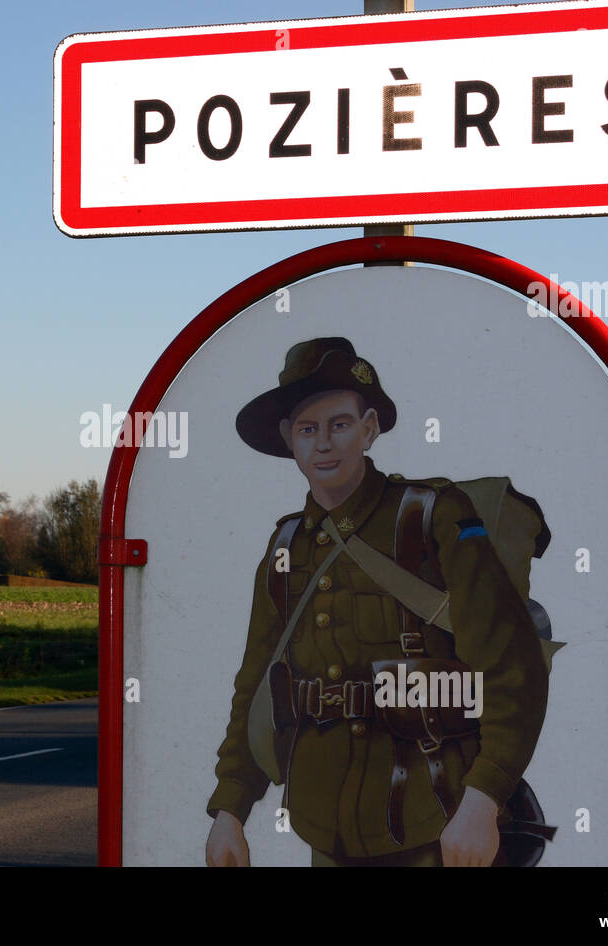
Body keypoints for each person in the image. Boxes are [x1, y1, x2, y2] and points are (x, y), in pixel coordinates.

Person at [205, 336, 549, 867]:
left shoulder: (432, 516)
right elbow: (256, 682)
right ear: (287, 439)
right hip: (327, 830)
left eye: (339, 425)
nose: (324, 444)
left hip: (435, 823)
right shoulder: (285, 546)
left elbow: (510, 665)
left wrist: (483, 801)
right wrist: (230, 809)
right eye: (307, 429)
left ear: (368, 429)